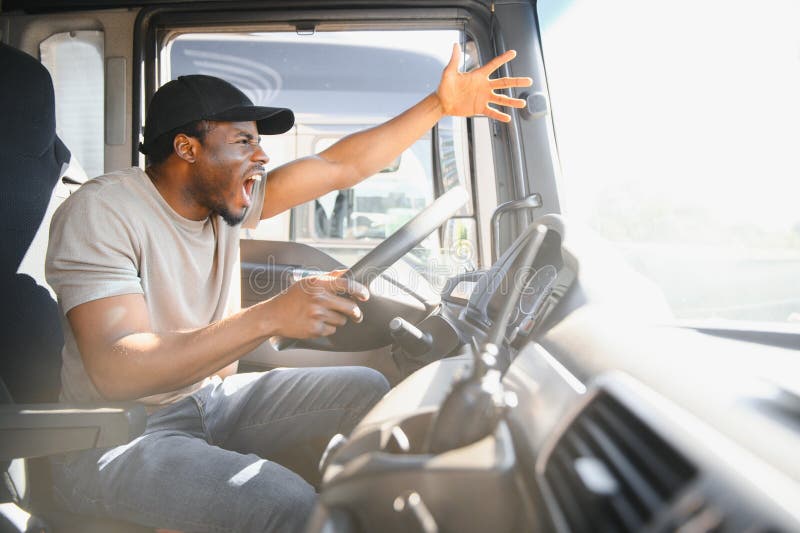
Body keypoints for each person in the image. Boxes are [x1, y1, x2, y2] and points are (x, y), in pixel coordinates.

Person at [45, 44, 532, 532]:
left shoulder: (223, 202)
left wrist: (440, 106)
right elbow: (118, 370)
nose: (261, 156)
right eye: (243, 142)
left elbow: (338, 167)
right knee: (291, 506)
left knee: (366, 392)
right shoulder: (103, 212)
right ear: (187, 148)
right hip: (111, 437)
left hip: (201, 400)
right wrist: (272, 316)